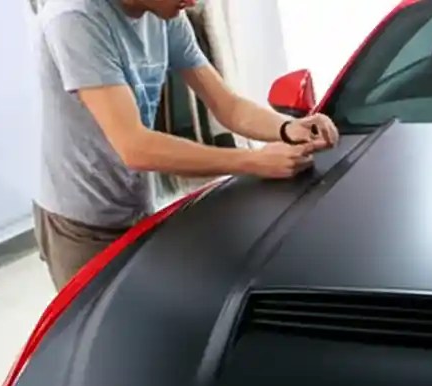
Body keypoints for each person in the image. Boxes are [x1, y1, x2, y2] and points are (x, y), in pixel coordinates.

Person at [32, 0, 340, 289]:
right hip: (79, 224)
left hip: (136, 207)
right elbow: (134, 146)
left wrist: (287, 128)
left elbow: (228, 106)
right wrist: (253, 161)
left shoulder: (166, 16)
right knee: (99, 336)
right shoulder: (74, 19)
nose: (192, 2)